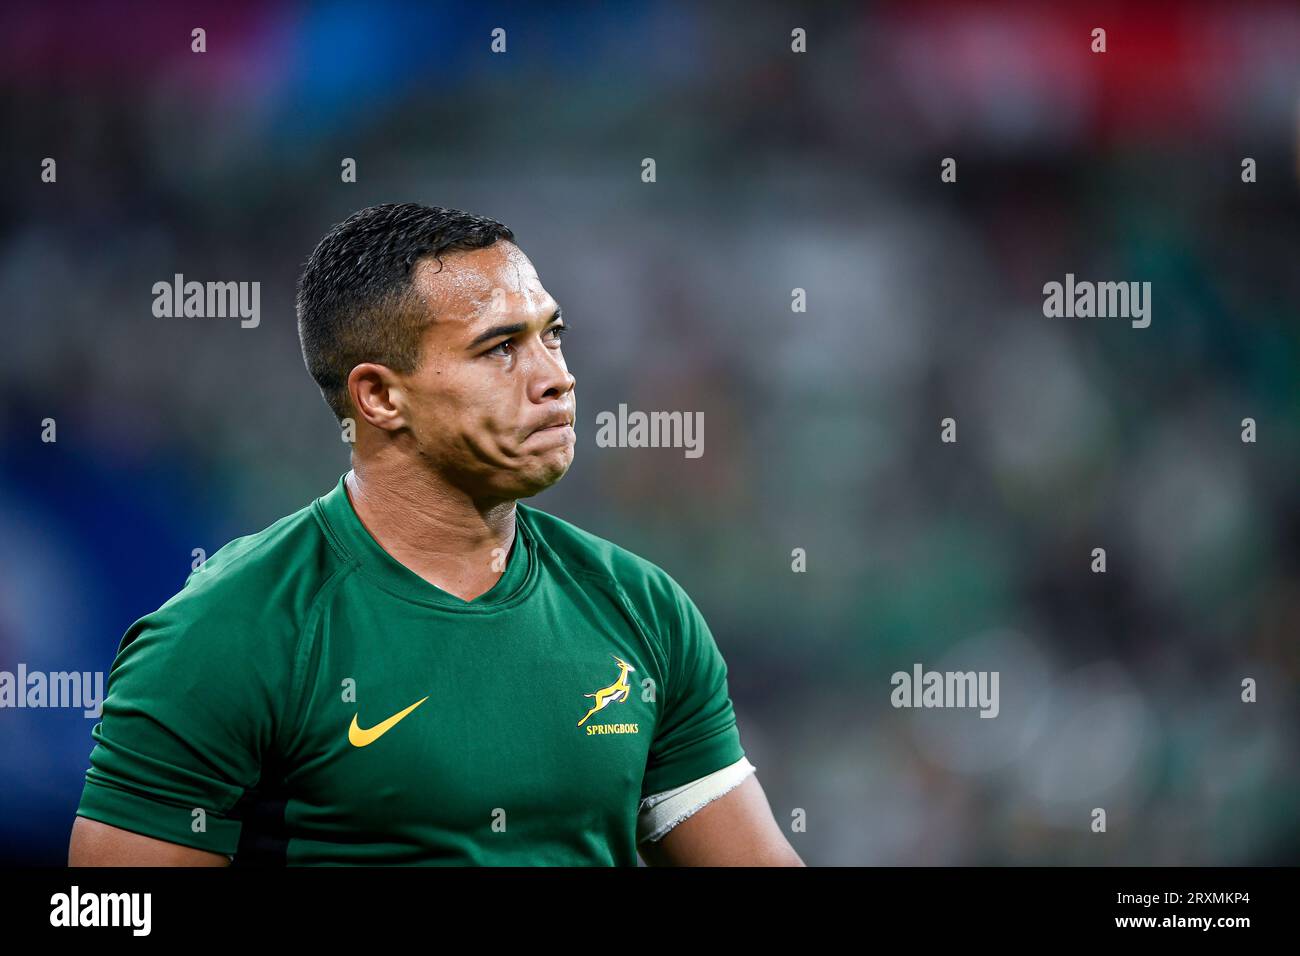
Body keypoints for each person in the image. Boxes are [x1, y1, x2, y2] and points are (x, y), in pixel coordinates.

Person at [69, 202, 803, 866]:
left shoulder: (641, 608)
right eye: (500, 348)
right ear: (381, 395)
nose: (557, 378)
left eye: (553, 335)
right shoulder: (230, 632)